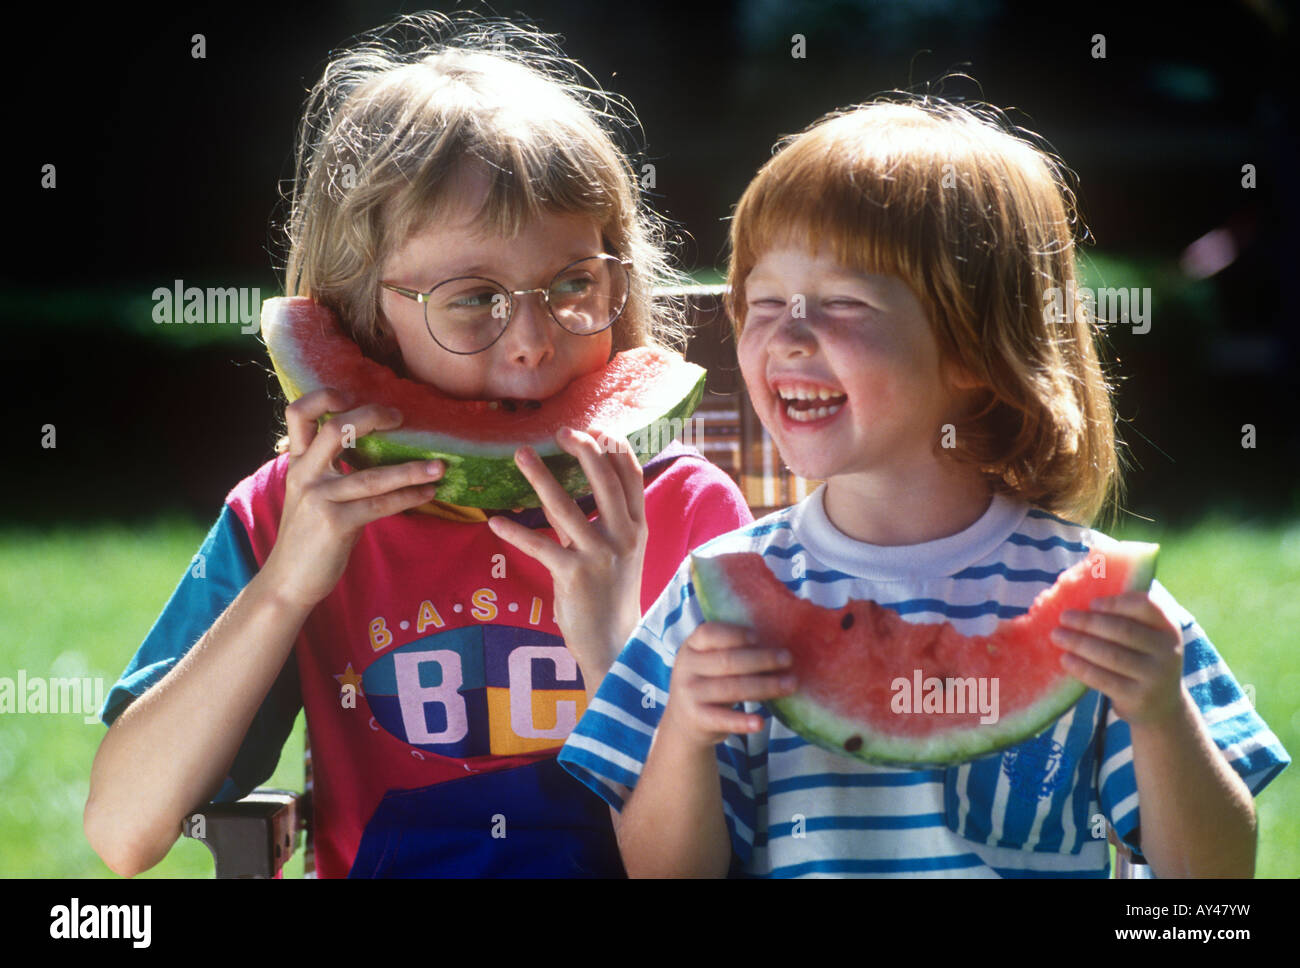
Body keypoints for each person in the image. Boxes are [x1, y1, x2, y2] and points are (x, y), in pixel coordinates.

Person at [84, 12, 751, 878]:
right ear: (360, 318)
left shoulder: (685, 511)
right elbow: (123, 832)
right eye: (473, 297)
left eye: (574, 284)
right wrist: (287, 586)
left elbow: (716, 857)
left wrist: (612, 646)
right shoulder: (290, 518)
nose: (533, 340)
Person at [557, 96, 1290, 877]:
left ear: (976, 349)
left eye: (843, 303)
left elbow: (1213, 889)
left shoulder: (1102, 605)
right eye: (764, 303)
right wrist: (685, 735)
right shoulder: (718, 599)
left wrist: (1163, 717)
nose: (788, 335)